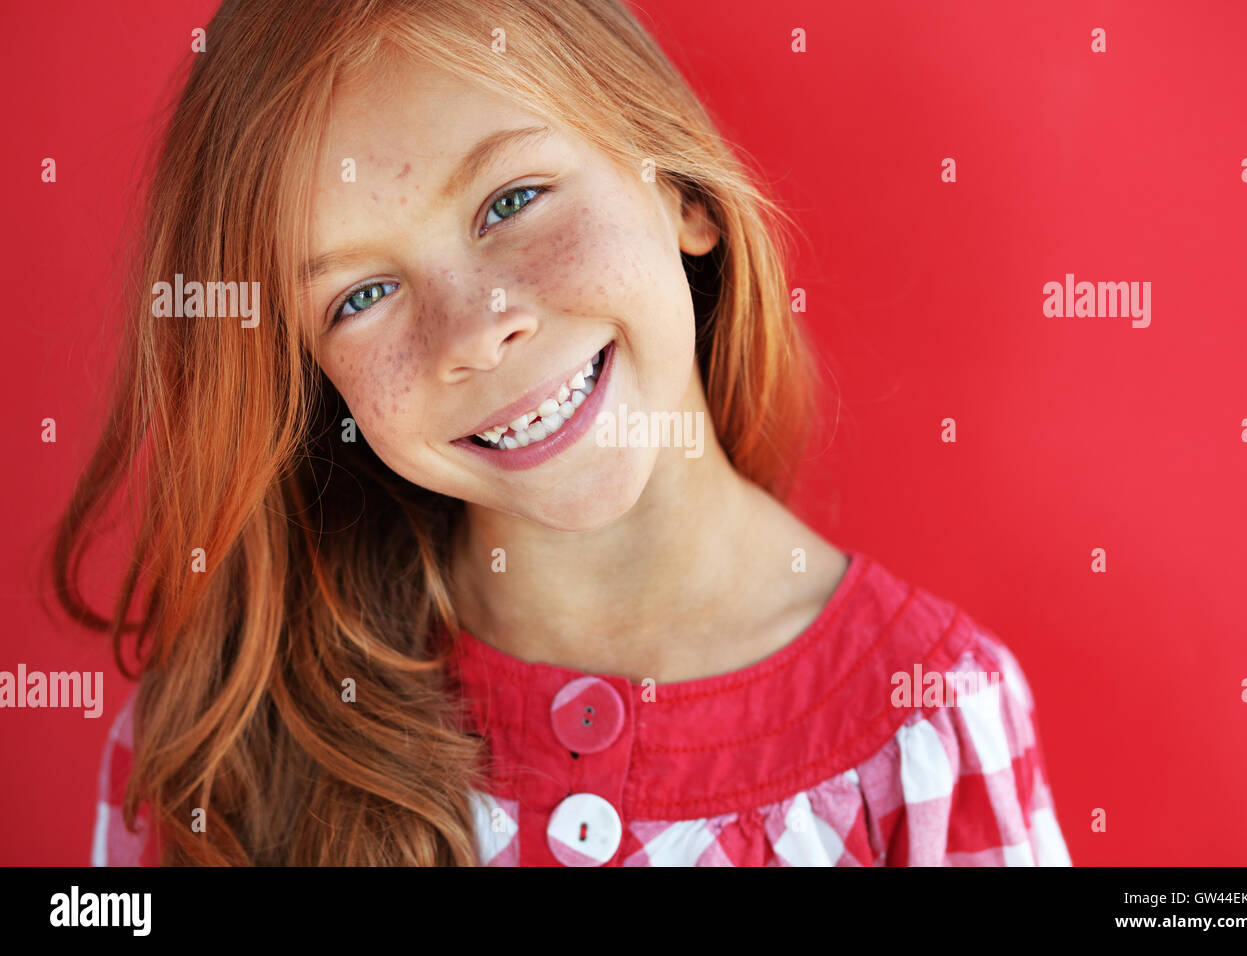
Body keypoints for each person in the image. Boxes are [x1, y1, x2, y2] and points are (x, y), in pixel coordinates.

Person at [59, 0, 1070, 866]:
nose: (474, 331)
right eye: (362, 293)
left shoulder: (934, 725)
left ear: (680, 189)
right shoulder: (218, 735)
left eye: (514, 199)